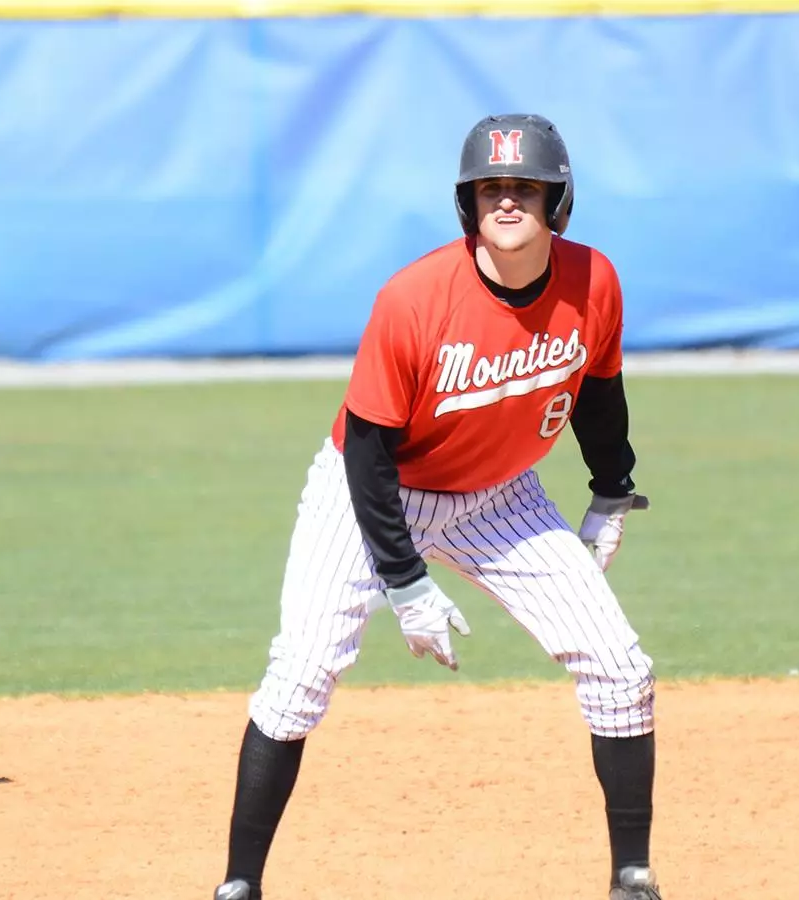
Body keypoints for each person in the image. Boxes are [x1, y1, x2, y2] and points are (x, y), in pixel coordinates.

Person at [211, 113, 663, 900]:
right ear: (466, 203)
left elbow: (598, 389)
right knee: (302, 676)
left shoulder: (595, 281)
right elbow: (367, 454)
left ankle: (633, 877)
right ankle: (238, 885)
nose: (507, 200)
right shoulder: (414, 299)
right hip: (372, 493)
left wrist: (611, 489)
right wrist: (405, 580)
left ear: (559, 201)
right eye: (490, 188)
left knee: (621, 669)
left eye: (525, 187)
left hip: (500, 497)